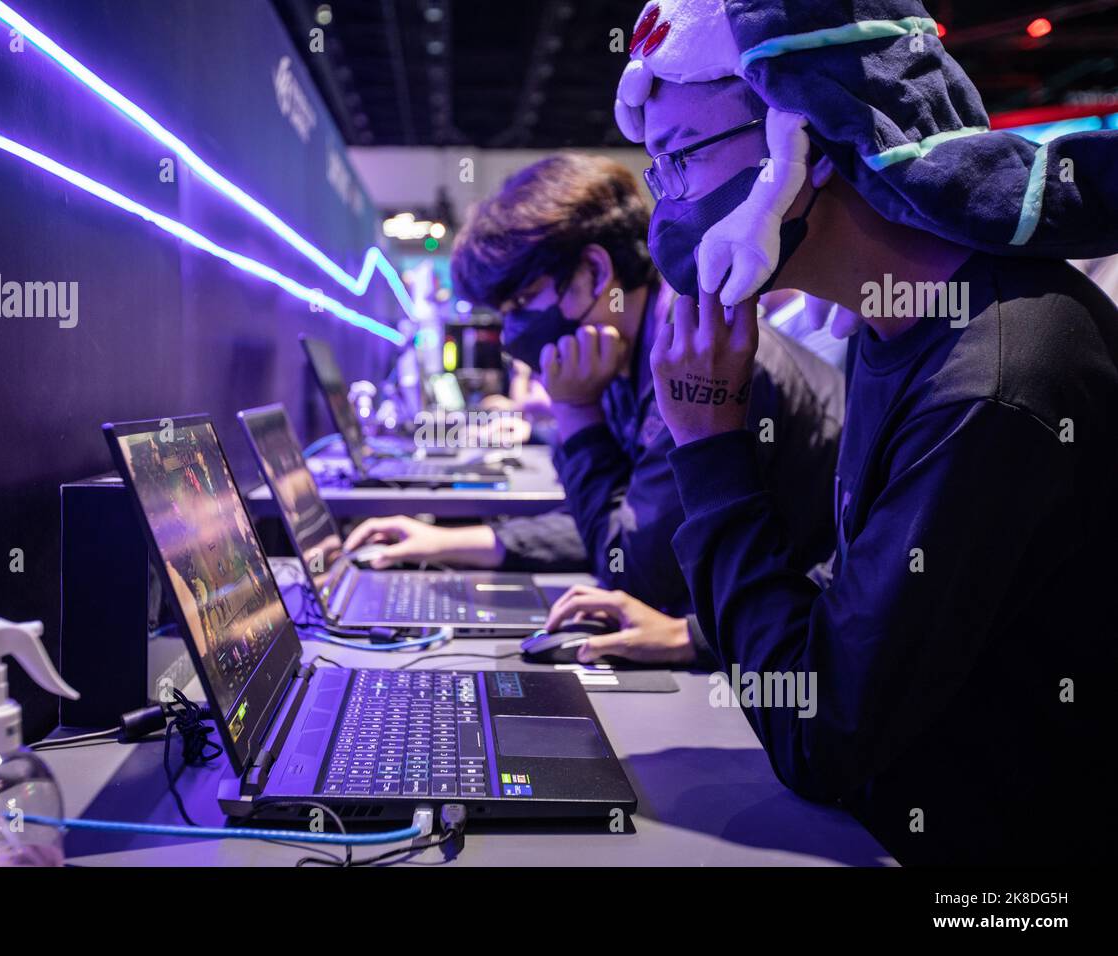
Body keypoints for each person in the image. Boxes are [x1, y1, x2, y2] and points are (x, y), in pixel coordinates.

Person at [610, 0, 1118, 864]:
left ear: (796, 136)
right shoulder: (895, 326)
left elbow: (822, 735)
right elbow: (891, 588)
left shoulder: (992, 381)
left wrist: (707, 445)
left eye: (681, 160)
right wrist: (699, 632)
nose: (673, 206)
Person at [345, 154, 844, 666]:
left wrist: (575, 411)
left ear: (594, 270)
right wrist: (449, 541)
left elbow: (631, 565)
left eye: (522, 301)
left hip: (807, 659)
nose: (514, 332)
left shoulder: (699, 361)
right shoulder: (638, 343)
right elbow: (616, 519)